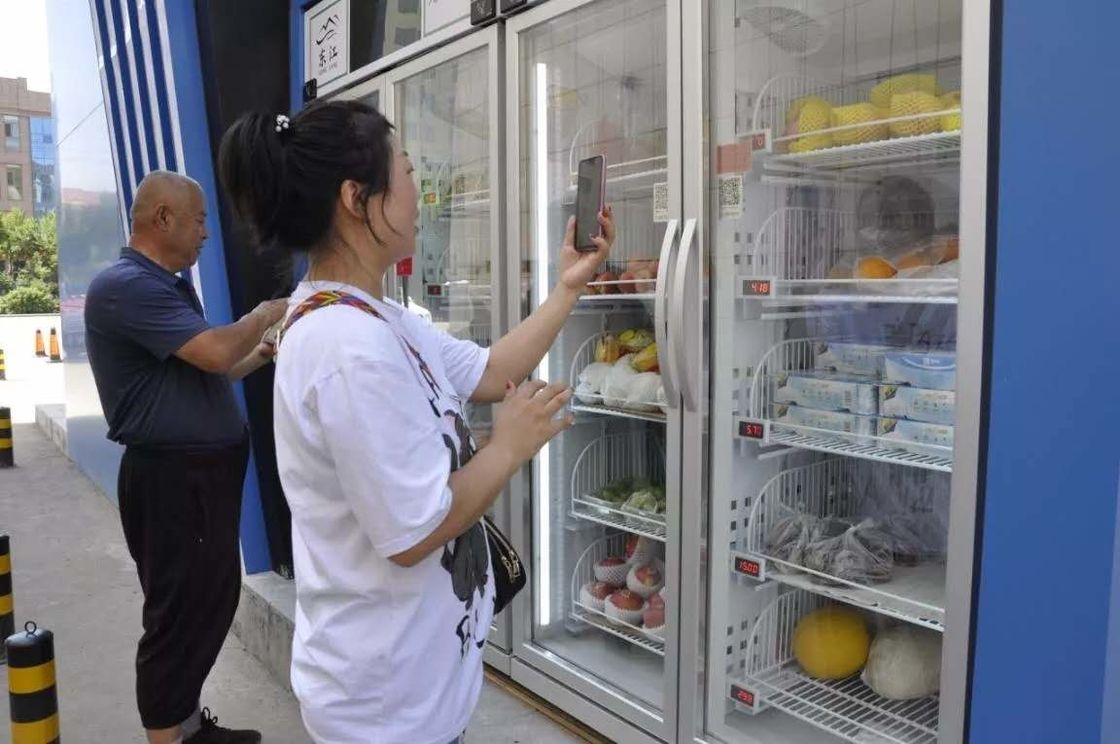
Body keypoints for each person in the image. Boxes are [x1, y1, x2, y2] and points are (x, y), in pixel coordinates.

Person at [217, 102, 614, 744]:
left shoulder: (379, 319)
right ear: (357, 198)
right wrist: (507, 446)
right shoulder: (346, 346)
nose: (417, 190)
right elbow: (413, 530)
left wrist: (569, 284)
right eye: (404, 171)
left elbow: (491, 371)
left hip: (413, 682)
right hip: (384, 709)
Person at [84, 171, 288, 744]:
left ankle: (190, 726)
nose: (206, 232)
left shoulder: (168, 285)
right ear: (163, 219)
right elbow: (219, 351)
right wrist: (267, 313)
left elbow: (213, 373)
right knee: (177, 616)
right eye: (198, 219)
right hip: (173, 480)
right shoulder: (127, 286)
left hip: (202, 477)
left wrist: (264, 352)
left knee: (210, 601)